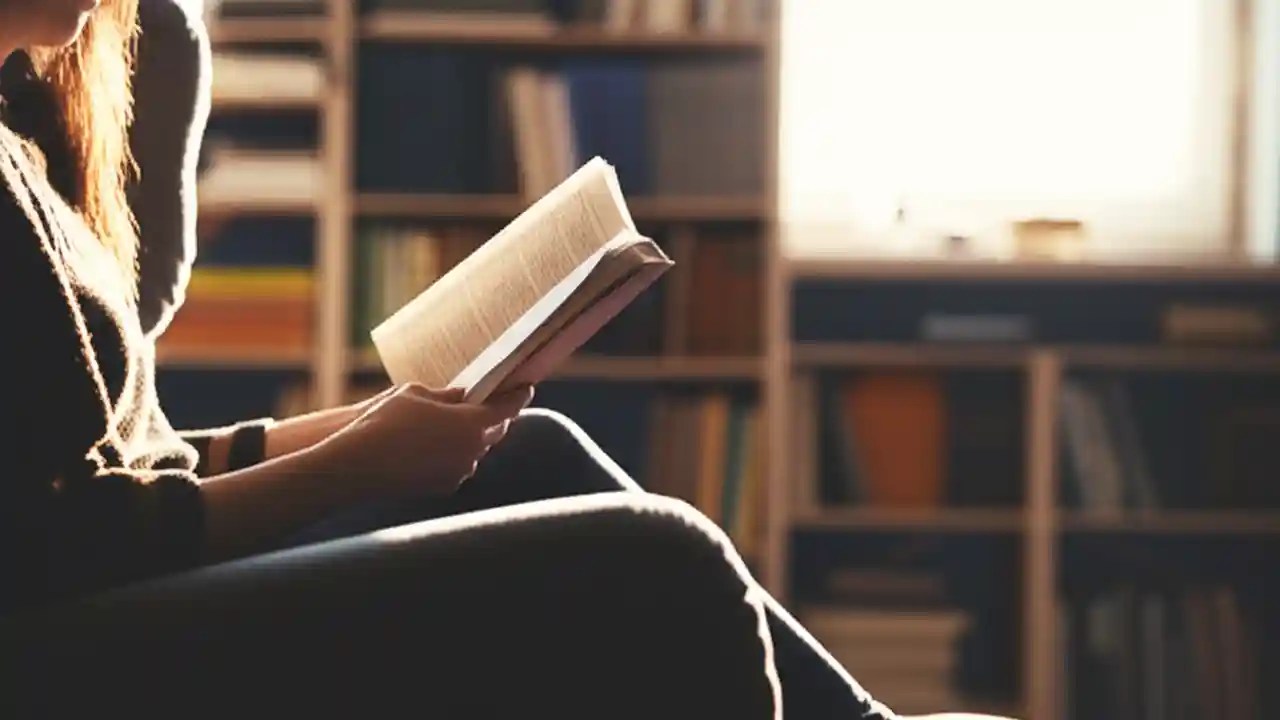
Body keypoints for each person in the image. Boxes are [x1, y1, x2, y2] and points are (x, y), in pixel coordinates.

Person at [0, 1, 1007, 718]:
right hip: (65, 646)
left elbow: (140, 463)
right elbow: (72, 539)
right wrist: (364, 463)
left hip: (105, 581)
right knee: (665, 563)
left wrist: (385, 417)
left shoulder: (25, 148)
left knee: (539, 448)